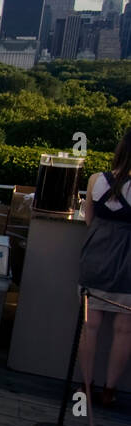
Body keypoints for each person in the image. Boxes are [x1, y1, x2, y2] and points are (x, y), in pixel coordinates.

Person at [78, 129, 131, 406]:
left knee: (90, 325)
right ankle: (109, 391)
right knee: (124, 330)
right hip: (126, 264)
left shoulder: (96, 180)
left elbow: (88, 219)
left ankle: (86, 386)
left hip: (95, 257)